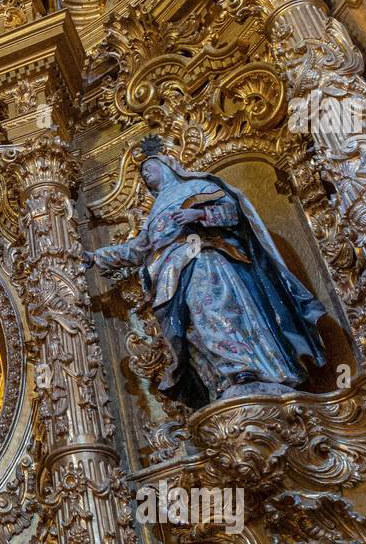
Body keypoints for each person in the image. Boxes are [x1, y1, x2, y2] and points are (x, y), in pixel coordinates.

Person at [89, 153, 327, 407]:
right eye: (143, 173)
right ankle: (221, 381)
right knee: (190, 327)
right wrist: (95, 257)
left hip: (202, 257)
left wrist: (200, 215)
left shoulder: (198, 187)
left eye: (149, 167)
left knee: (214, 308)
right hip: (169, 275)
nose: (145, 173)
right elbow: (137, 249)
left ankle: (244, 369)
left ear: (167, 165)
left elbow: (234, 212)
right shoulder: (155, 212)